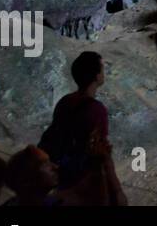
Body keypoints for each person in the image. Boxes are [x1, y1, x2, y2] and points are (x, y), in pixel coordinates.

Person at [39, 51, 127, 204]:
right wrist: (117, 190)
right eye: (102, 68)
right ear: (96, 75)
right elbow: (101, 151)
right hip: (84, 178)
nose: (103, 73)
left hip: (63, 174)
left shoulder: (65, 101)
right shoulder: (96, 109)